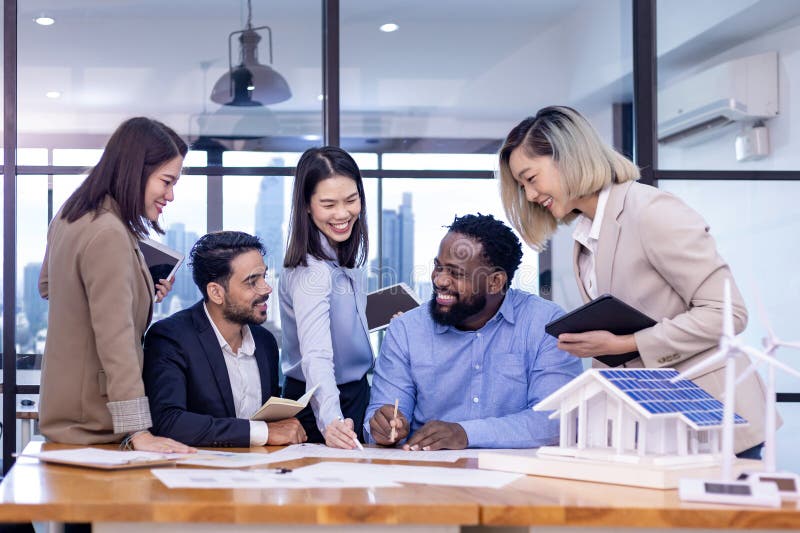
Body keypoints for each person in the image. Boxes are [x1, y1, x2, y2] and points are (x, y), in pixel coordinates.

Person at [497, 105, 772, 458]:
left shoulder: (652, 211)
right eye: (522, 186)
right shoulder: (584, 237)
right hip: (657, 426)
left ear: (566, 157)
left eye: (531, 179)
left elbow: (727, 314)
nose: (530, 196)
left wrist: (625, 343)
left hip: (715, 421)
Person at [38, 117, 193, 453]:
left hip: (64, 412)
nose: (170, 195)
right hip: (93, 420)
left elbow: (50, 287)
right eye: (166, 181)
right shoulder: (109, 233)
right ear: (136, 170)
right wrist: (139, 432)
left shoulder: (70, 215)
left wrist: (139, 289)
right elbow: (117, 340)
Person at [365, 214, 582, 450]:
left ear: (495, 282)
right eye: (438, 267)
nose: (440, 280)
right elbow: (381, 417)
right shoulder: (406, 330)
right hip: (429, 475)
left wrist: (466, 433)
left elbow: (555, 421)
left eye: (456, 273)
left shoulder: (545, 324)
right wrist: (383, 428)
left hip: (515, 476)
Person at [143, 231, 306, 447]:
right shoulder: (170, 338)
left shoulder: (265, 342)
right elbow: (168, 422)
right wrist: (262, 432)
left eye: (264, 277)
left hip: (261, 471)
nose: (267, 289)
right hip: (196, 473)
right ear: (216, 293)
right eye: (252, 282)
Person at [280, 146, 373, 449]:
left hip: (354, 394)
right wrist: (331, 420)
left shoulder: (342, 259)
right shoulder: (312, 271)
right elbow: (317, 356)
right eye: (328, 204)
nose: (343, 213)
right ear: (307, 206)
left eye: (351, 200)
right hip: (319, 401)